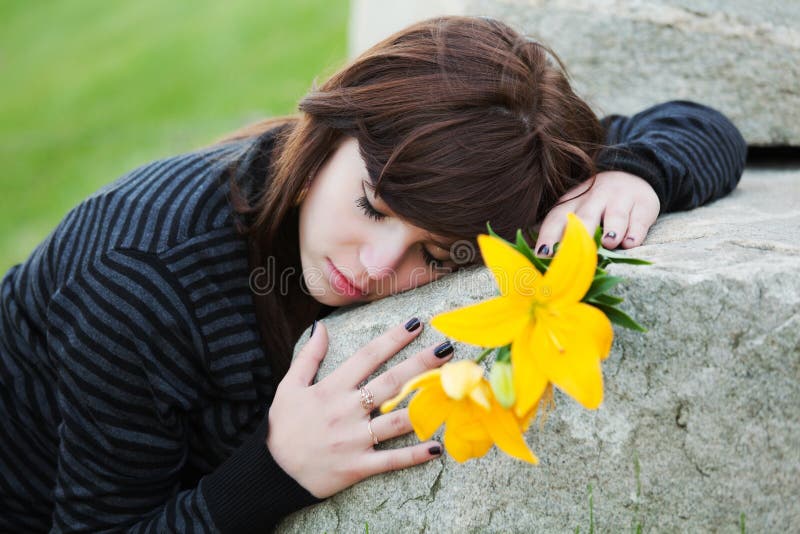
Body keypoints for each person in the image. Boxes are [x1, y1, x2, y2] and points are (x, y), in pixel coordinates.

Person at [0, 15, 745, 533]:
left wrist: (634, 176)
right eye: (372, 204)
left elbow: (704, 126)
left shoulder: (473, 176)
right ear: (331, 128)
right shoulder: (139, 280)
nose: (378, 266)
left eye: (438, 253)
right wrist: (274, 472)